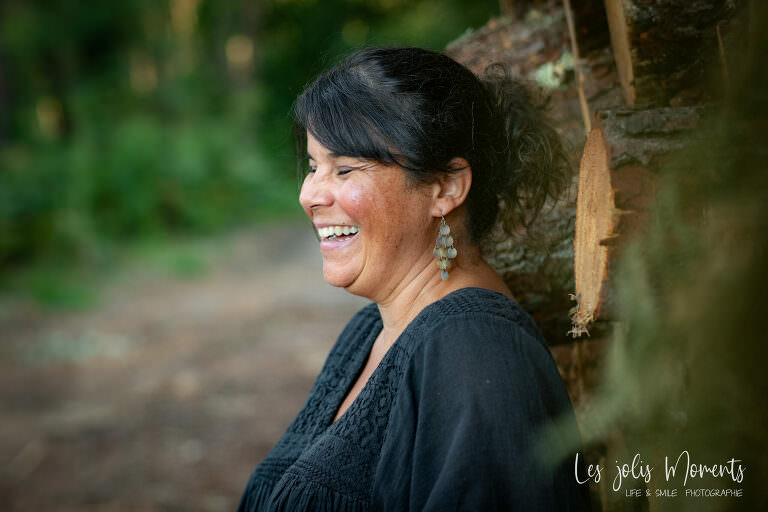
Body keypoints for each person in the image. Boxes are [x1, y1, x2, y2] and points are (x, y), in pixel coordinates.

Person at [237, 46, 590, 511]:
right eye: (312, 166)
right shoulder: (369, 331)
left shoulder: (476, 353)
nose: (309, 195)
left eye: (344, 169)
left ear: (445, 187)